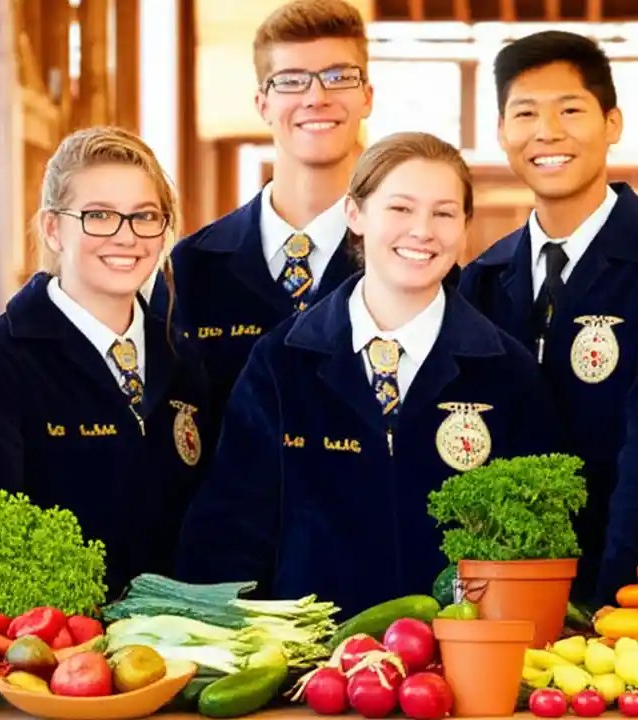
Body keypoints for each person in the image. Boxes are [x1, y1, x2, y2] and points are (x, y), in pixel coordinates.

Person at [177, 132, 552, 617]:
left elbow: (539, 545)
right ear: (354, 214)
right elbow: (232, 527)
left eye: (443, 213)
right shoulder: (281, 361)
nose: (422, 231)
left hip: (454, 659)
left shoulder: (507, 370)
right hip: (311, 673)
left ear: (464, 227)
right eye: (400, 209)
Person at [458, 31, 638, 606]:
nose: (547, 132)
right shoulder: (480, 278)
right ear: (502, 132)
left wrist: (616, 606)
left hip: (630, 603)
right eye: (524, 113)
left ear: (612, 123)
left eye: (570, 110)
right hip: (505, 596)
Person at [0, 127, 210, 596]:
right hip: (63, 650)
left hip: (180, 646)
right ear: (53, 227)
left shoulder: (183, 358)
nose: (126, 237)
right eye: (99, 216)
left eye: (144, 216)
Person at [153, 0, 373, 418]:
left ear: (366, 96)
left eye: (338, 76)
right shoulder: (192, 268)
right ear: (262, 103)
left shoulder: (404, 257)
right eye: (291, 81)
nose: (316, 97)